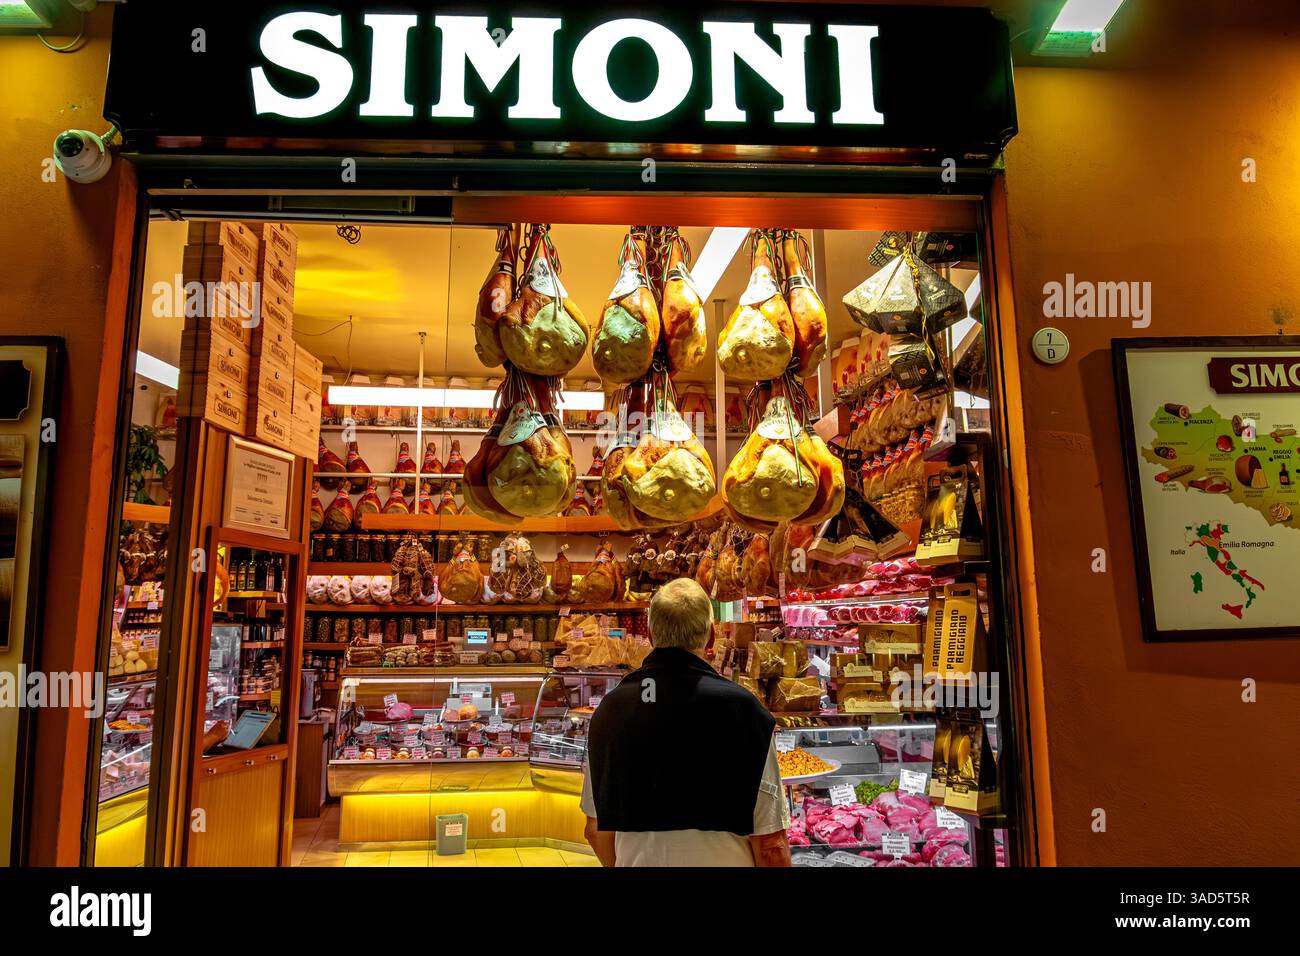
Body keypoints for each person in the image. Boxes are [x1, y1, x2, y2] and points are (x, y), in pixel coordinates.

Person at [581, 577, 791, 867]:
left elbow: (595, 831)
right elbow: (771, 846)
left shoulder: (611, 710)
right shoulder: (745, 711)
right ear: (711, 638)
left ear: (652, 638)